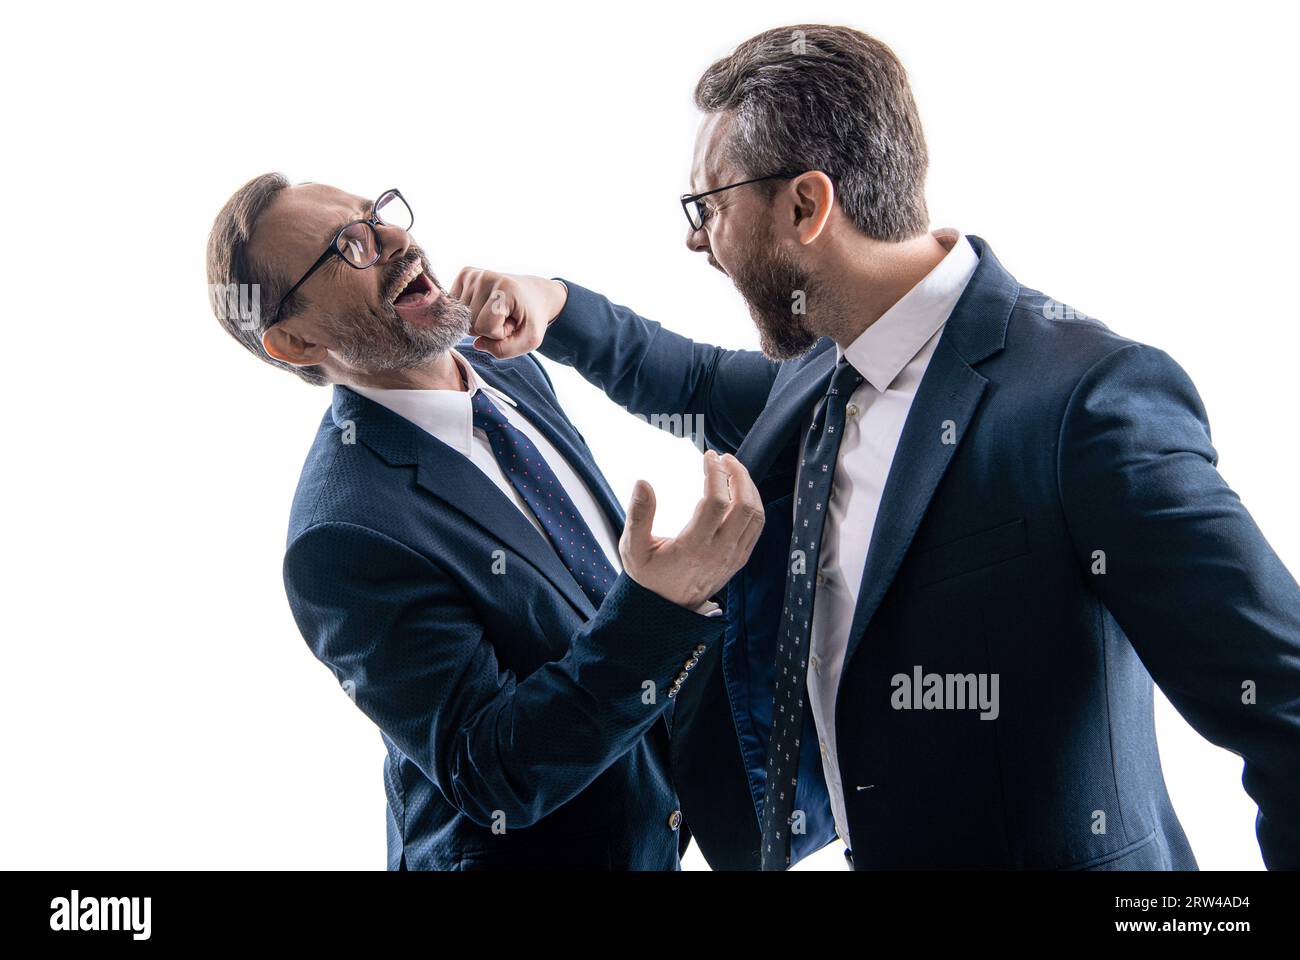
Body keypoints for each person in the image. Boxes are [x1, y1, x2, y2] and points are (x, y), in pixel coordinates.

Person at [452, 24, 1300, 870]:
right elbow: (690, 380)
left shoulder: (1085, 402)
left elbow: (1285, 707)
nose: (695, 239)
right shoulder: (825, 364)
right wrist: (553, 305)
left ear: (806, 206)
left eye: (709, 205)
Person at [204, 174, 764, 870]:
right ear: (294, 340)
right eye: (349, 246)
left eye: (375, 213)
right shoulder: (340, 536)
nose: (396, 240)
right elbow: (494, 769)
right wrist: (657, 608)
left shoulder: (503, 369)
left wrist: (554, 299)